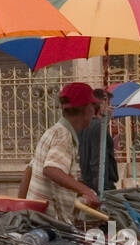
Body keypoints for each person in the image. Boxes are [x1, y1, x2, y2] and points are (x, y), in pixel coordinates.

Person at [21, 84, 101, 222]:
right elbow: (51, 169)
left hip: (36, 217)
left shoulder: (54, 131)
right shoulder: (64, 135)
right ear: (85, 108)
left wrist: (21, 208)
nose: (94, 112)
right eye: (93, 106)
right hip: (48, 221)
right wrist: (86, 191)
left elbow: (30, 169)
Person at [80, 88, 120, 195]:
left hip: (88, 182)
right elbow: (98, 160)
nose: (111, 108)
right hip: (100, 186)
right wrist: (101, 189)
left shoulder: (85, 125)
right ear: (101, 104)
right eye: (108, 104)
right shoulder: (98, 126)